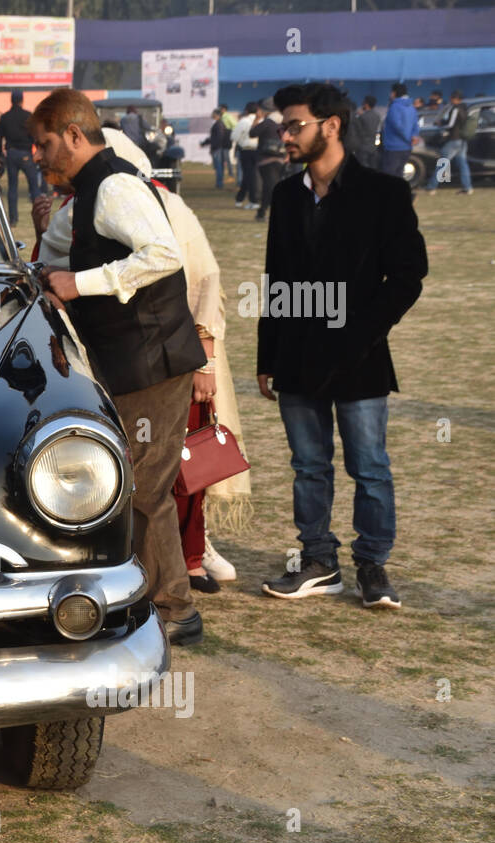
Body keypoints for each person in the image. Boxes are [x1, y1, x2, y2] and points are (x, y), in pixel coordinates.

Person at [28, 88, 207, 646]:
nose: (36, 156)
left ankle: (174, 610)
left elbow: (164, 255)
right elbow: (46, 256)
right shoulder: (84, 197)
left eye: (43, 144)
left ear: (75, 135)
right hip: (124, 366)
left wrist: (79, 285)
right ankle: (146, 598)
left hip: (152, 366)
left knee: (144, 491)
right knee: (126, 486)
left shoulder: (115, 187)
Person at [258, 83, 428, 608]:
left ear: (330, 126)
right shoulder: (286, 195)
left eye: (294, 125)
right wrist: (267, 358)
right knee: (308, 466)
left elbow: (407, 276)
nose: (284, 134)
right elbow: (276, 280)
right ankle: (317, 561)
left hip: (360, 357)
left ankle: (373, 567)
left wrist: (359, 334)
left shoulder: (384, 192)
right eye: (282, 125)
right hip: (296, 359)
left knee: (370, 466)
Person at [0, 90, 42, 226]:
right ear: (22, 100)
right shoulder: (28, 116)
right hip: (26, 153)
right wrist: (38, 151)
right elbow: (35, 135)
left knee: (12, 187)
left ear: (11, 101)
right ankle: (40, 216)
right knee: (34, 187)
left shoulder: (5, 117)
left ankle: (13, 219)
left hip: (12, 154)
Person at [422, 91, 474, 195]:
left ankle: (432, 187)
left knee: (442, 162)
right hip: (462, 140)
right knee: (463, 164)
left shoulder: (456, 109)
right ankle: (467, 187)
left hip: (454, 139)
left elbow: (450, 124)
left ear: (455, 98)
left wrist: (440, 124)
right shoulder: (465, 108)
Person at [249, 98, 284, 221]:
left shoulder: (267, 123)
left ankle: (262, 212)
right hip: (281, 159)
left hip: (266, 160)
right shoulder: (283, 122)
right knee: (273, 187)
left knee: (269, 187)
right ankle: (264, 212)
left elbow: (252, 133)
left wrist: (257, 119)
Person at [381, 83, 418, 179]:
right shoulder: (411, 107)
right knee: (399, 173)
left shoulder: (394, 107)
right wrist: (413, 136)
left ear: (394, 93)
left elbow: (397, 126)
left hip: (393, 146)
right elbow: (415, 125)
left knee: (389, 173)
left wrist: (407, 138)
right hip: (407, 147)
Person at [232, 101, 259, 210]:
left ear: (246, 110)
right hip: (258, 151)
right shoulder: (260, 120)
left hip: (246, 151)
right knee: (251, 176)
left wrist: (242, 141)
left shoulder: (244, 121)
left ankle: (253, 200)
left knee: (249, 176)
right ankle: (240, 199)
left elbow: (234, 136)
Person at [347, 95, 382, 170]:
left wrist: (358, 116)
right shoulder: (377, 116)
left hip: (362, 147)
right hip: (373, 147)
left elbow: (358, 130)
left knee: (363, 168)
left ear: (366, 104)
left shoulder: (362, 117)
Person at [201, 109, 230, 189]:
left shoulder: (219, 124)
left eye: (213, 113)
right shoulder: (218, 124)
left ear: (217, 115)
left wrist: (214, 146)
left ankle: (219, 184)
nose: (212, 114)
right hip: (217, 147)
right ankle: (219, 183)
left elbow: (218, 138)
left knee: (218, 166)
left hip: (217, 148)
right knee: (218, 166)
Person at [218, 103, 237, 179]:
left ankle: (231, 175)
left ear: (224, 109)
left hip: (227, 138)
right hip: (222, 139)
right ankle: (222, 176)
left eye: (220, 108)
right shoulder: (221, 117)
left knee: (226, 158)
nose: (219, 110)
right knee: (222, 159)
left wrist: (229, 133)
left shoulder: (228, 116)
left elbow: (235, 125)